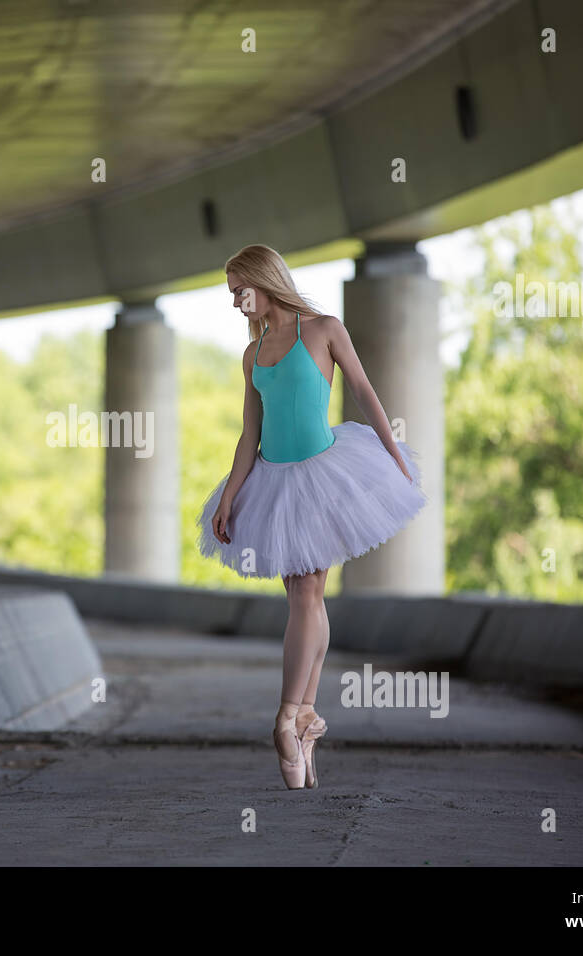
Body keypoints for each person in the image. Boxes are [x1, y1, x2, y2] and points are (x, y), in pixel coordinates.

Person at [197, 244, 428, 790]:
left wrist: (394, 453)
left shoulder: (323, 329)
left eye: (238, 290)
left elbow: (364, 391)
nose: (235, 302)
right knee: (309, 598)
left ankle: (287, 716)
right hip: (273, 483)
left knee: (306, 596)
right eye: (231, 294)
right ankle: (303, 720)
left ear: (262, 280)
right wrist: (231, 495)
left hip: (324, 476)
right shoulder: (252, 356)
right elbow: (250, 433)